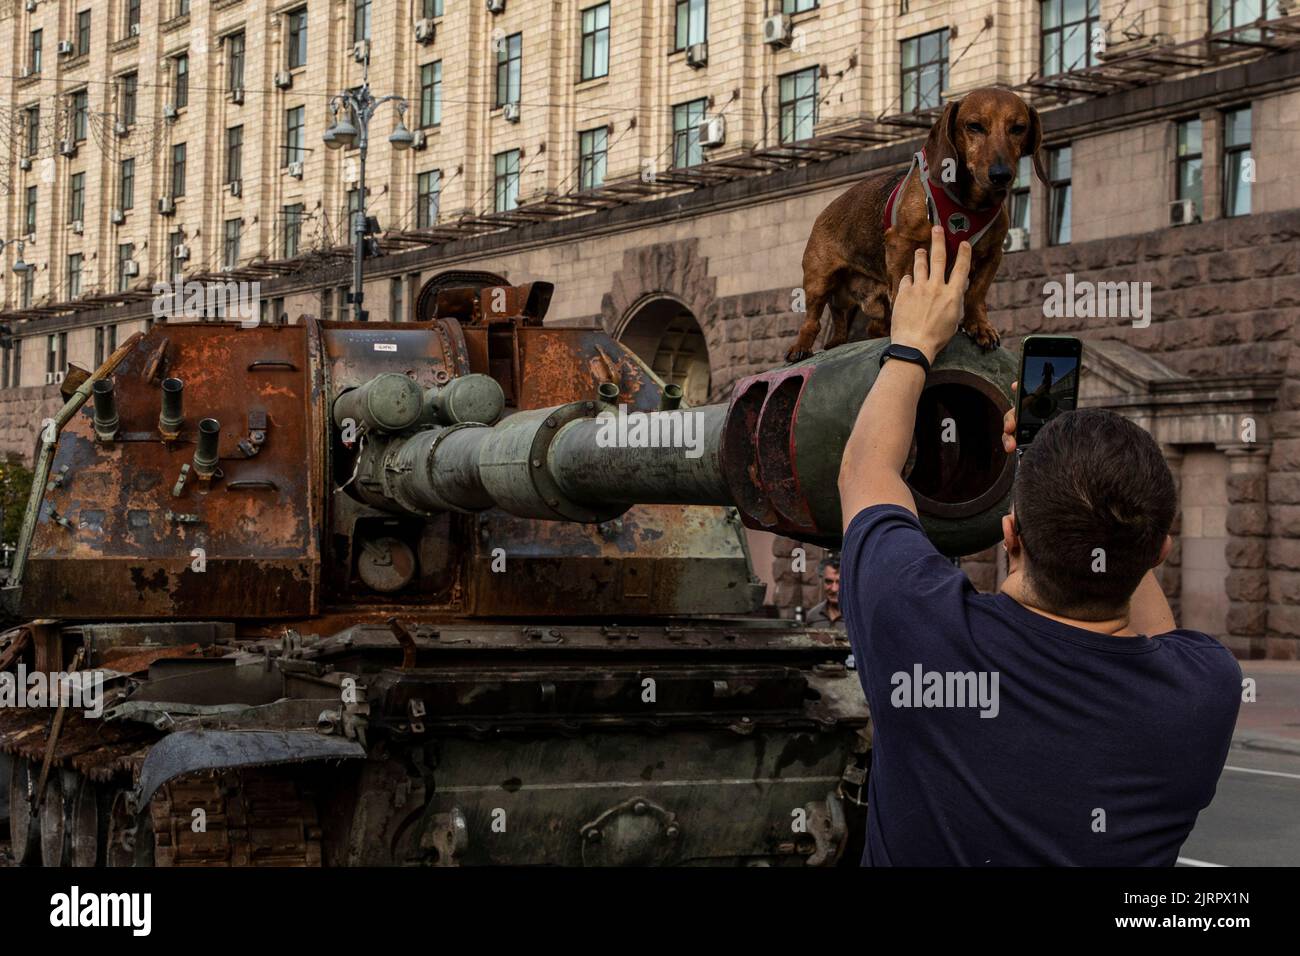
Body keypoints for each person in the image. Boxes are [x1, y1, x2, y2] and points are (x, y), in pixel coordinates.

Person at [836, 226, 1241, 866]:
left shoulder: (919, 634)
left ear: (1010, 534)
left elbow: (865, 470)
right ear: (1160, 551)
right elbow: (1139, 605)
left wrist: (912, 343)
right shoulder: (1206, 691)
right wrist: (1058, 469)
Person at [805, 555, 842, 627]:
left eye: (840, 582)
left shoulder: (858, 616)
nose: (834, 589)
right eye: (828, 581)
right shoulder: (813, 616)